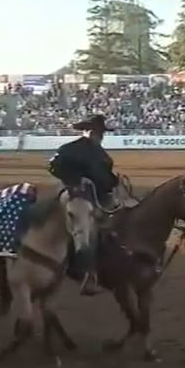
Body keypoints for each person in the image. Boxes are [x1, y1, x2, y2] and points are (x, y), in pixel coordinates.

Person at [47, 114, 119, 295]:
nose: (99, 135)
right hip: (76, 194)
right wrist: (76, 180)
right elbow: (54, 167)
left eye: (101, 132)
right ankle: (86, 275)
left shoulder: (101, 154)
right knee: (84, 227)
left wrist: (114, 182)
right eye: (96, 131)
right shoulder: (70, 149)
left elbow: (106, 177)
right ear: (87, 131)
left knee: (120, 216)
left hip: (98, 197)